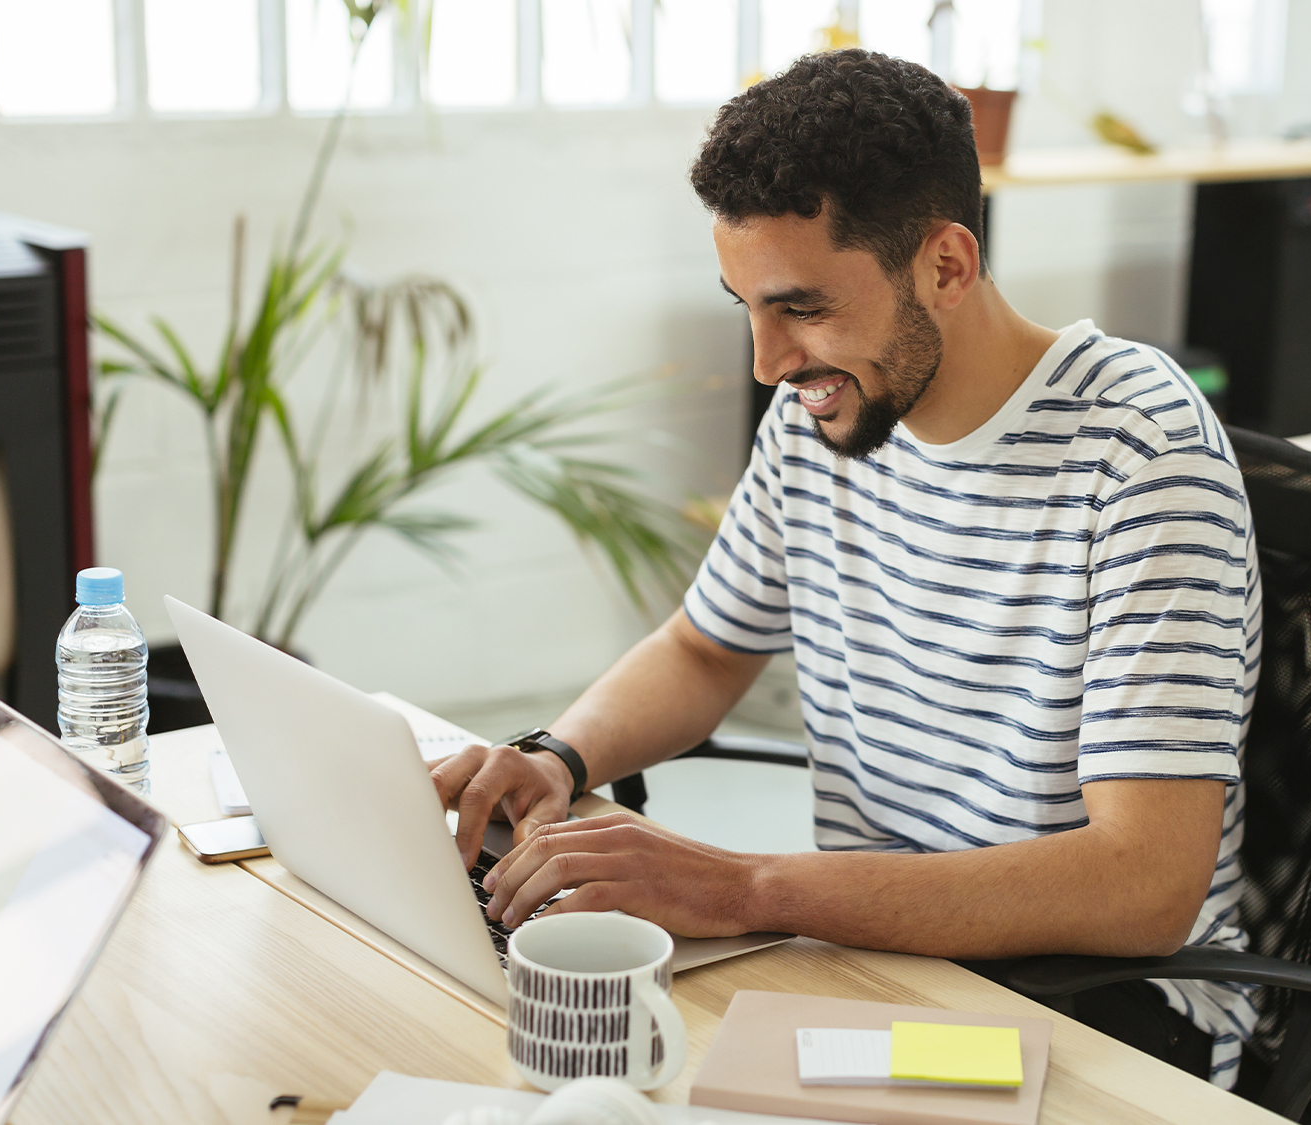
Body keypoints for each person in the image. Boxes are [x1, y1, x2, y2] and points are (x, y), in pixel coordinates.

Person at [430, 48, 1261, 1086]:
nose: (768, 364)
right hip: (881, 960)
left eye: (803, 308)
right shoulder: (821, 417)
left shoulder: (1141, 450)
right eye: (747, 308)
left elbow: (1144, 886)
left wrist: (747, 889)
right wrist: (557, 755)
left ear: (947, 267)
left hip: (1096, 1010)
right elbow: (703, 648)